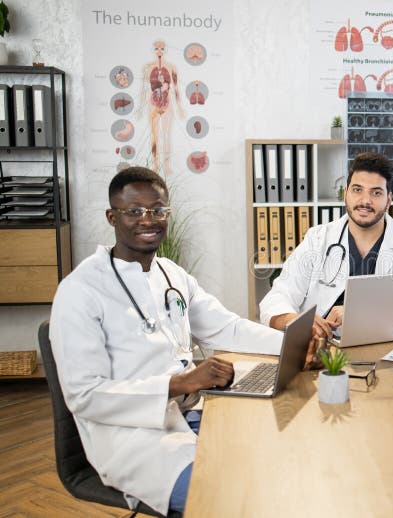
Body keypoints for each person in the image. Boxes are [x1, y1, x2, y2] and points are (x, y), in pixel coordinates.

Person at [49, 167, 314, 515]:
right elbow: (84, 397)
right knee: (231, 500)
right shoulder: (79, 291)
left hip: (194, 413)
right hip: (134, 440)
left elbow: (227, 328)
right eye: (134, 211)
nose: (149, 220)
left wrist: (294, 344)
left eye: (158, 210)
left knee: (286, 460)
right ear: (112, 217)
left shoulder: (170, 274)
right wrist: (180, 383)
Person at [260, 152, 393, 343]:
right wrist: (296, 321)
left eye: (376, 193)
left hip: (384, 347)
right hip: (323, 347)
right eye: (357, 190)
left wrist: (360, 312)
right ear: (346, 193)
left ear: (389, 200)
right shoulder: (317, 240)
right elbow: (277, 298)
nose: (365, 201)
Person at [139, 39, 183, 174]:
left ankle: (167, 165)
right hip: (152, 103)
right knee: (154, 136)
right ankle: (155, 166)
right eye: (156, 48)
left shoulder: (172, 67)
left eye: (162, 48)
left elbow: (176, 89)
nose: (159, 51)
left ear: (166, 50)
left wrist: (180, 108)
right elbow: (144, 89)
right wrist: (140, 107)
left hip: (167, 104)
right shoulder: (147, 67)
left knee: (166, 135)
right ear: (152, 50)